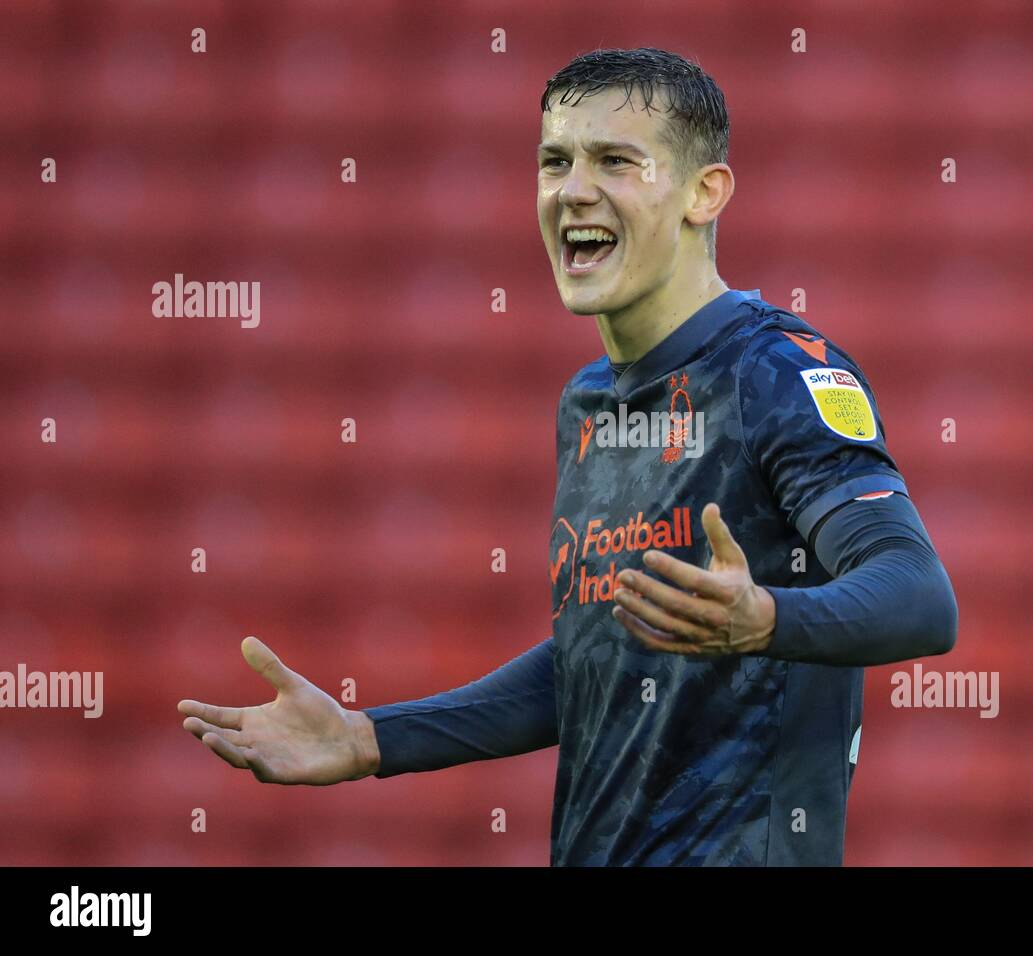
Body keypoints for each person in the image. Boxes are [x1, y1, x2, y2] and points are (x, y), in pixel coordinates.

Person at [179, 47, 958, 866]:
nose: (572, 190)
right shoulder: (588, 400)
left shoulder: (778, 371)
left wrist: (767, 620)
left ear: (705, 192)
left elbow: (919, 595)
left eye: (615, 161)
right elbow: (598, 654)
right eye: (555, 161)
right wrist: (372, 738)